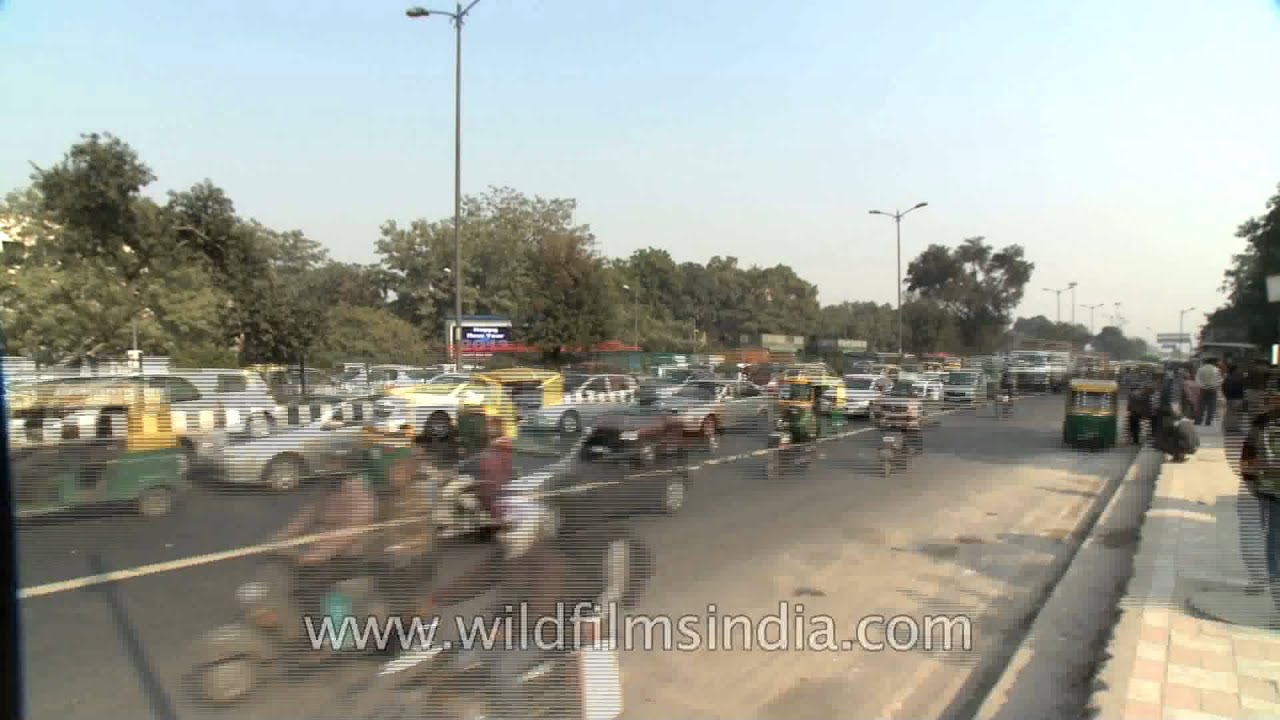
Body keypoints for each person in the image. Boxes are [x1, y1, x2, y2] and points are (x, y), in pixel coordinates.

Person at [413, 495, 635, 720]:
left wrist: (502, 632)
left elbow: (539, 613)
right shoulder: (509, 554)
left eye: (509, 526)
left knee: (500, 669)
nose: (503, 532)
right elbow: (477, 578)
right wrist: (435, 599)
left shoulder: (549, 563)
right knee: (456, 654)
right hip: (507, 626)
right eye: (503, 526)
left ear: (527, 528)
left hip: (544, 633)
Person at [1238, 394, 1280, 608]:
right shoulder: (1260, 424)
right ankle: (1268, 579)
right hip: (1265, 489)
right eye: (1271, 400)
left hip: (1270, 490)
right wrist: (1250, 481)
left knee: (1273, 538)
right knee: (1267, 535)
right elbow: (1247, 455)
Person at [1223, 363, 1247, 434]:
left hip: (1229, 398)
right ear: (1235, 370)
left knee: (1229, 413)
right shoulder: (1238, 377)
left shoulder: (1227, 378)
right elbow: (1242, 387)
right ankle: (1236, 428)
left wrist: (1226, 396)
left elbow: (1224, 388)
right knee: (1237, 413)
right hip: (1237, 398)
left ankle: (1228, 428)